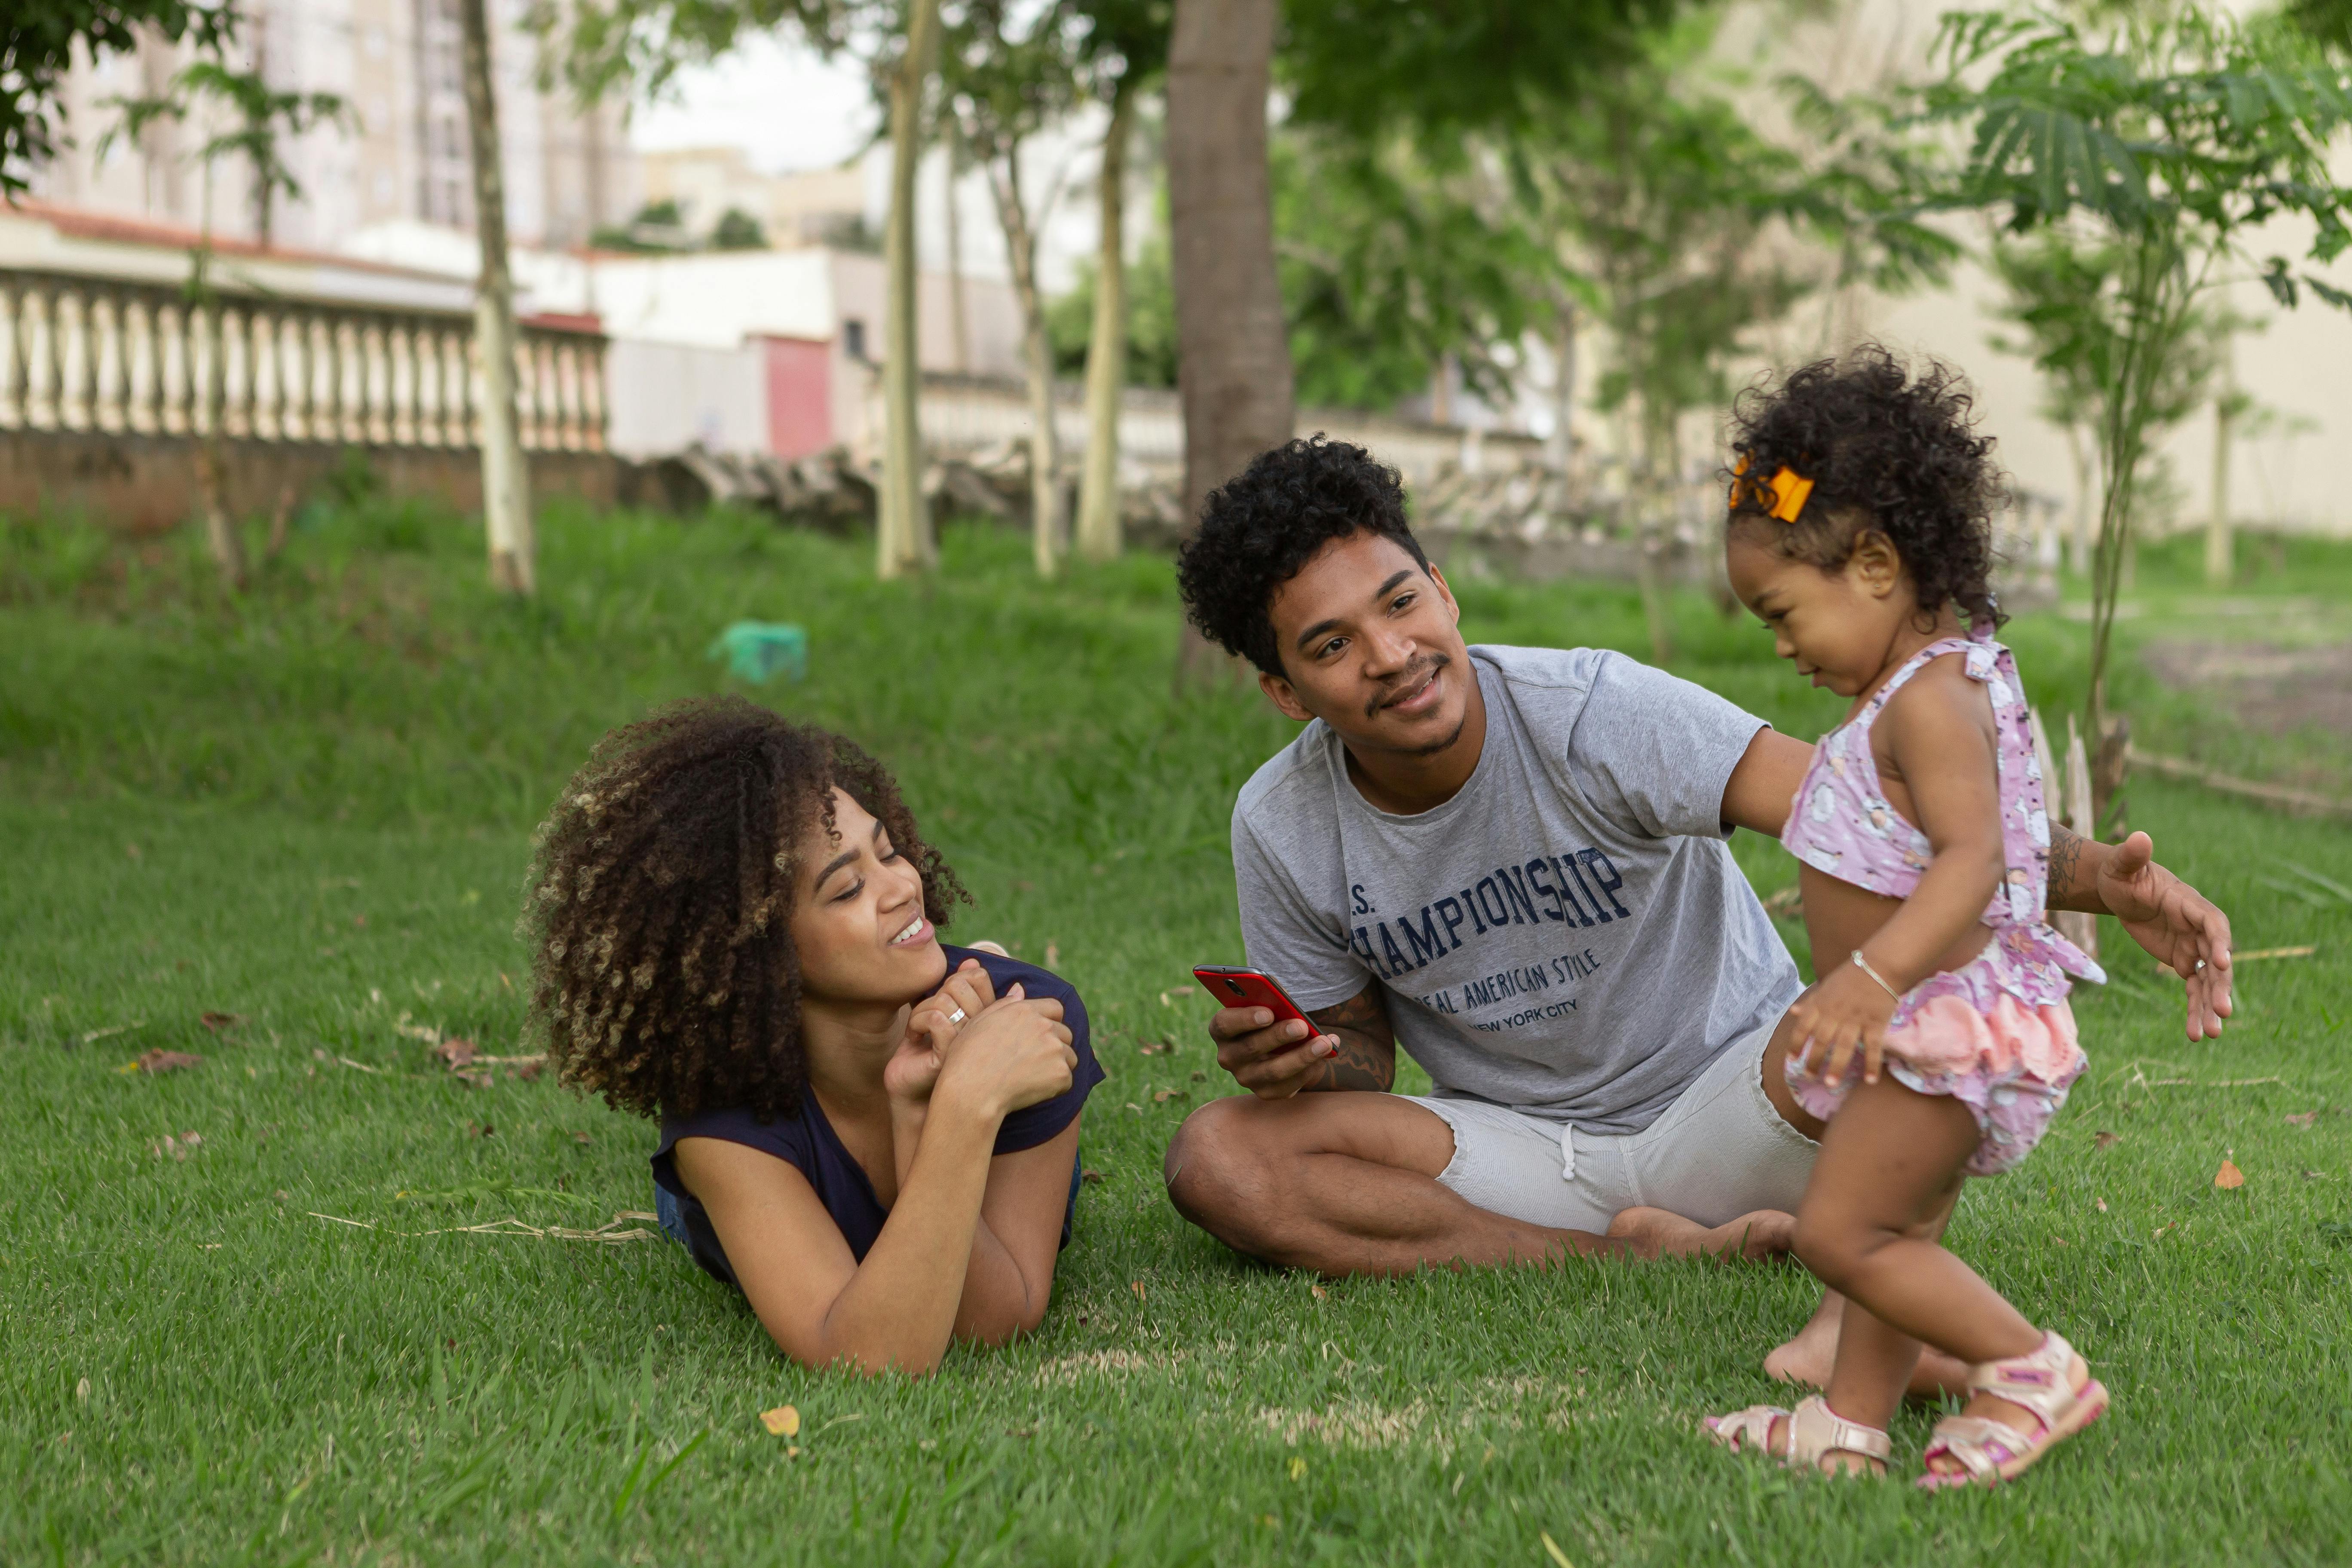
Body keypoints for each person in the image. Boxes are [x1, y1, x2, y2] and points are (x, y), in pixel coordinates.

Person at [1161, 432, 2233, 1392]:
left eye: (1399, 604)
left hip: (1744, 1103)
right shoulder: (1281, 822)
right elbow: (1359, 1065)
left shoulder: (1591, 712)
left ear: (1444, 592)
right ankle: (1627, 1255)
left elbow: (1866, 809)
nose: (1392, 656)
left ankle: (1784, 1254)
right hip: (1524, 1151)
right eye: (1333, 644)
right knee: (1218, 1159)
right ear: (1287, 691)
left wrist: (2104, 877)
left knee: (1895, 1012)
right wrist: (1295, 1062)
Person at [1704, 350, 2125, 1484]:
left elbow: (1976, 856)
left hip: (1933, 1019)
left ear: (1877, 564)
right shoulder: (1933, 679)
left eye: (1785, 615)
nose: (1785, 648)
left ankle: (2031, 1370)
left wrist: (1871, 978)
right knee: (1893, 1238)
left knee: (1848, 1237)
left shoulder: (1931, 697)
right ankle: (1847, 1426)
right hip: (1924, 1023)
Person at [523, 698, 1103, 1375]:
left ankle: (978, 961)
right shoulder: (726, 1120)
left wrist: (926, 1116)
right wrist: (965, 1102)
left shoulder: (1030, 1019)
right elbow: (871, 1356)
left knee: (992, 999)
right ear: (760, 954)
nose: (900, 888)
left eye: (889, 853)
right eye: (848, 888)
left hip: (977, 1090)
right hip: (773, 1145)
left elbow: (992, 1323)